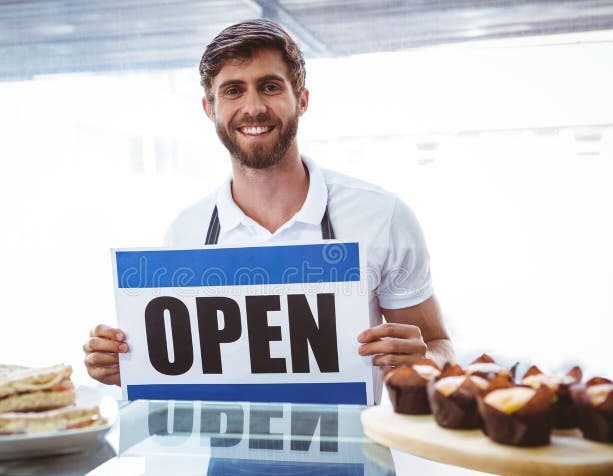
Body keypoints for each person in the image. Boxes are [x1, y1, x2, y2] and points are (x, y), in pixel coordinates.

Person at [83, 18, 455, 401]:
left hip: (358, 457)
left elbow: (439, 345)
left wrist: (424, 360)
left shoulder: (381, 215)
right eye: (233, 91)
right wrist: (125, 362)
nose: (254, 107)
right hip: (224, 457)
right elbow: (181, 384)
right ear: (209, 109)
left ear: (302, 100)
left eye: (270, 86)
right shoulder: (186, 232)